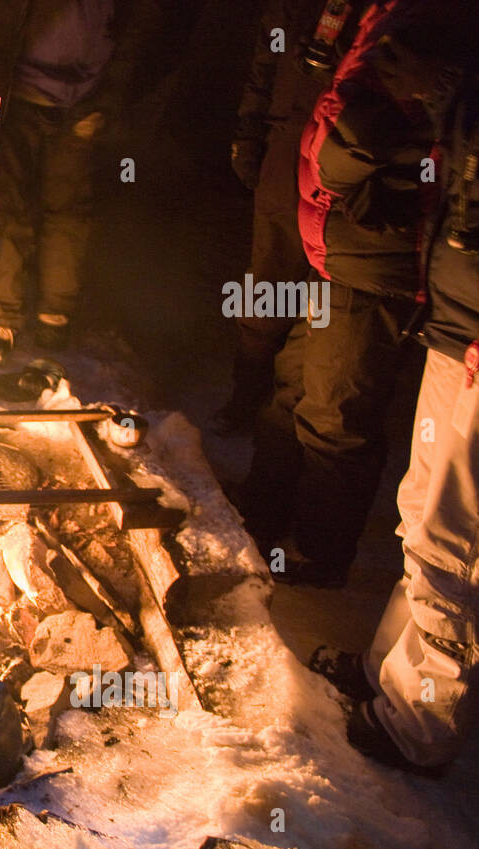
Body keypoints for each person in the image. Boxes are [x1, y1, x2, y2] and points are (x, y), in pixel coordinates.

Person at [236, 0, 450, 588]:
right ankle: (261, 511)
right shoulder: (372, 13)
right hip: (338, 253)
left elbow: (360, 134)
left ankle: (317, 554)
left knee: (336, 416)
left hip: (375, 258)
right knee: (296, 385)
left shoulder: (428, 24)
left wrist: (336, 164)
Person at [311, 27, 478, 774]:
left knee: (459, 547)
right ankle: (390, 676)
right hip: (455, 329)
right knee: (421, 512)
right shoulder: (459, 102)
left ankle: (420, 726)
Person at [0, 0, 161, 366]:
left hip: (83, 102)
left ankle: (56, 310)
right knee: (1, 208)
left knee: (68, 212)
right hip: (11, 93)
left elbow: (138, 36)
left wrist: (109, 99)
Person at [215, 0, 369, 434]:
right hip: (287, 139)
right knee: (269, 280)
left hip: (347, 149)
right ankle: (246, 399)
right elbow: (266, 62)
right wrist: (249, 133)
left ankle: (286, 411)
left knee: (325, 293)